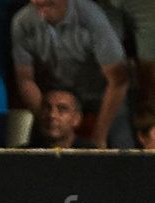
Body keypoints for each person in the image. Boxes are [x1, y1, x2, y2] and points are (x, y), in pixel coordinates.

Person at [12, 0, 129, 148]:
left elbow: (118, 79)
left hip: (102, 94)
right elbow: (25, 79)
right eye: (37, 5)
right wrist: (48, 118)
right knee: (36, 148)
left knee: (122, 147)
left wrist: (99, 137)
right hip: (57, 95)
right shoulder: (23, 21)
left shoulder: (90, 16)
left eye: (48, 5)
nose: (41, 11)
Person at [27, 86, 95, 148]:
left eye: (62, 109)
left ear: (76, 119)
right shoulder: (22, 154)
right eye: (47, 108)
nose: (52, 115)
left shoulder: (91, 155)